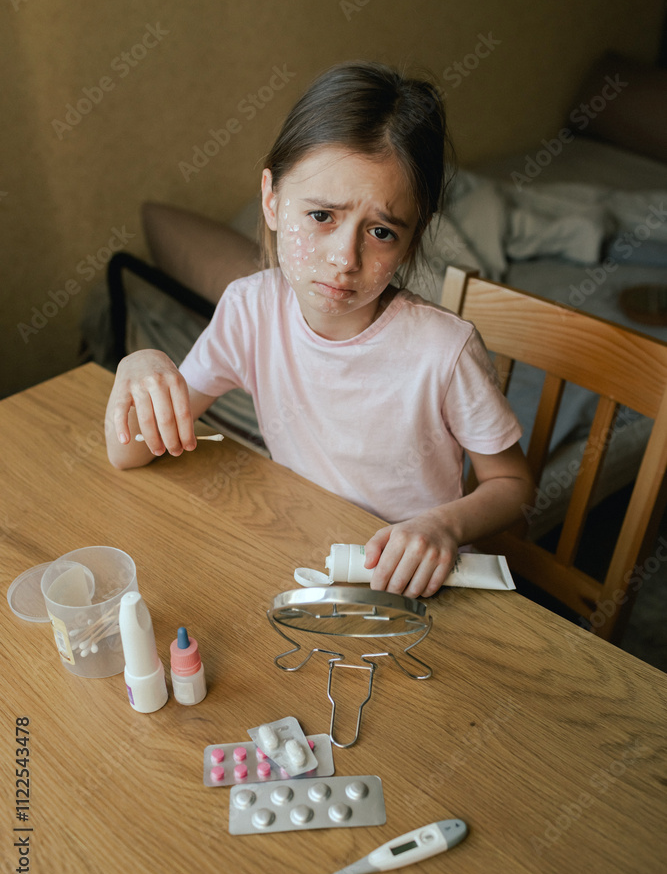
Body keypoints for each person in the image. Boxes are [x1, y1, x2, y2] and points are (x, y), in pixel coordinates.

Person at [105, 61, 534, 599]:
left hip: (418, 587)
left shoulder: (443, 352)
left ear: (411, 238)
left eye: (380, 232)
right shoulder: (249, 311)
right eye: (322, 216)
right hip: (303, 556)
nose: (344, 259)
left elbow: (513, 485)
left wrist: (443, 527)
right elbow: (131, 452)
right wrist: (137, 367)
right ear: (272, 200)